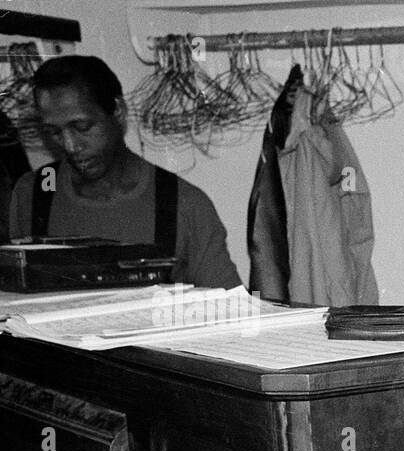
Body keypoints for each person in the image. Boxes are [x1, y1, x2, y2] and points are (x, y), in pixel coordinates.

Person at [8, 55, 241, 288]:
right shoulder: (35, 191)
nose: (70, 145)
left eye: (82, 127)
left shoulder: (183, 204)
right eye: (54, 132)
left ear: (118, 111)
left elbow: (230, 313)